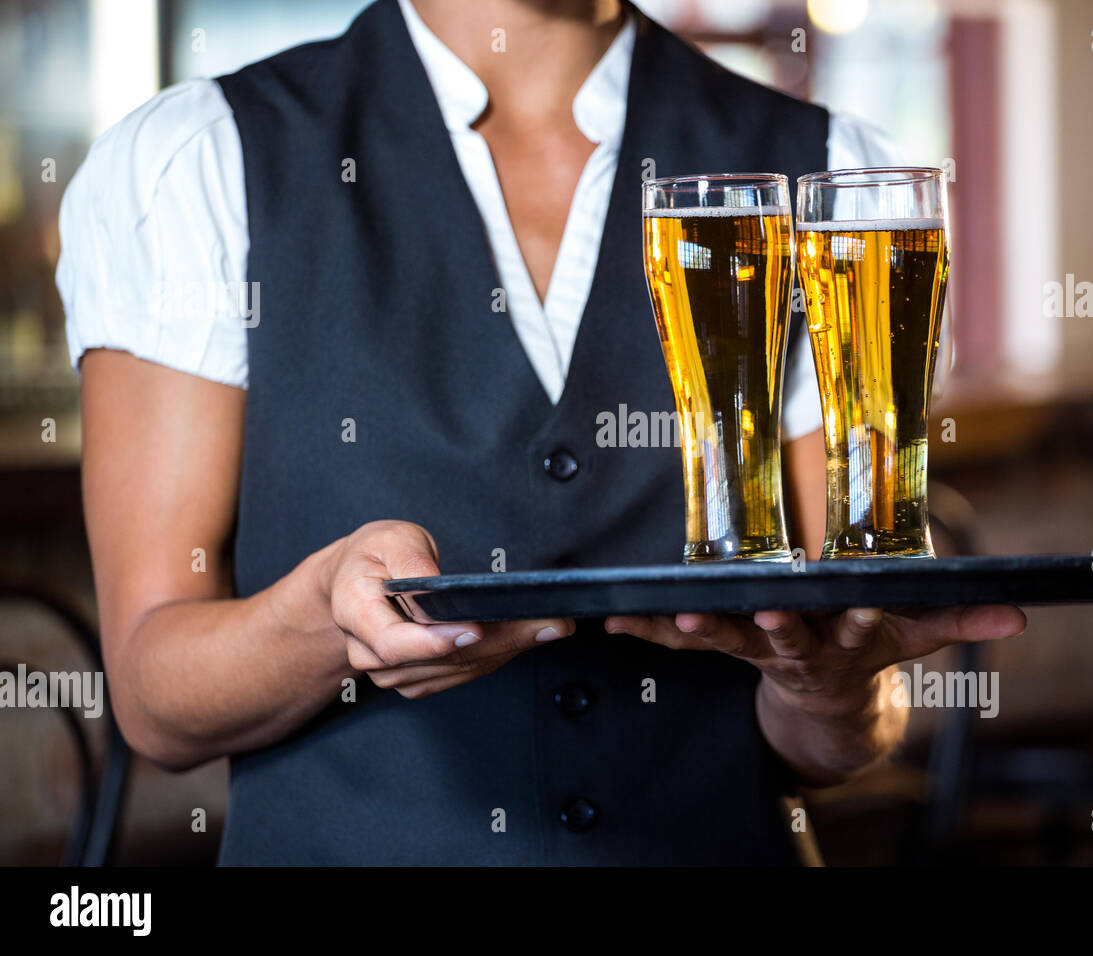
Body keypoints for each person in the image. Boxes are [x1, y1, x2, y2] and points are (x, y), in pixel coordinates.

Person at [57, 0, 1025, 864]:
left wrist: (830, 692)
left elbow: (837, 727)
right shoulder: (201, 157)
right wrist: (322, 612)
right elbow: (154, 694)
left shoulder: (830, 170)